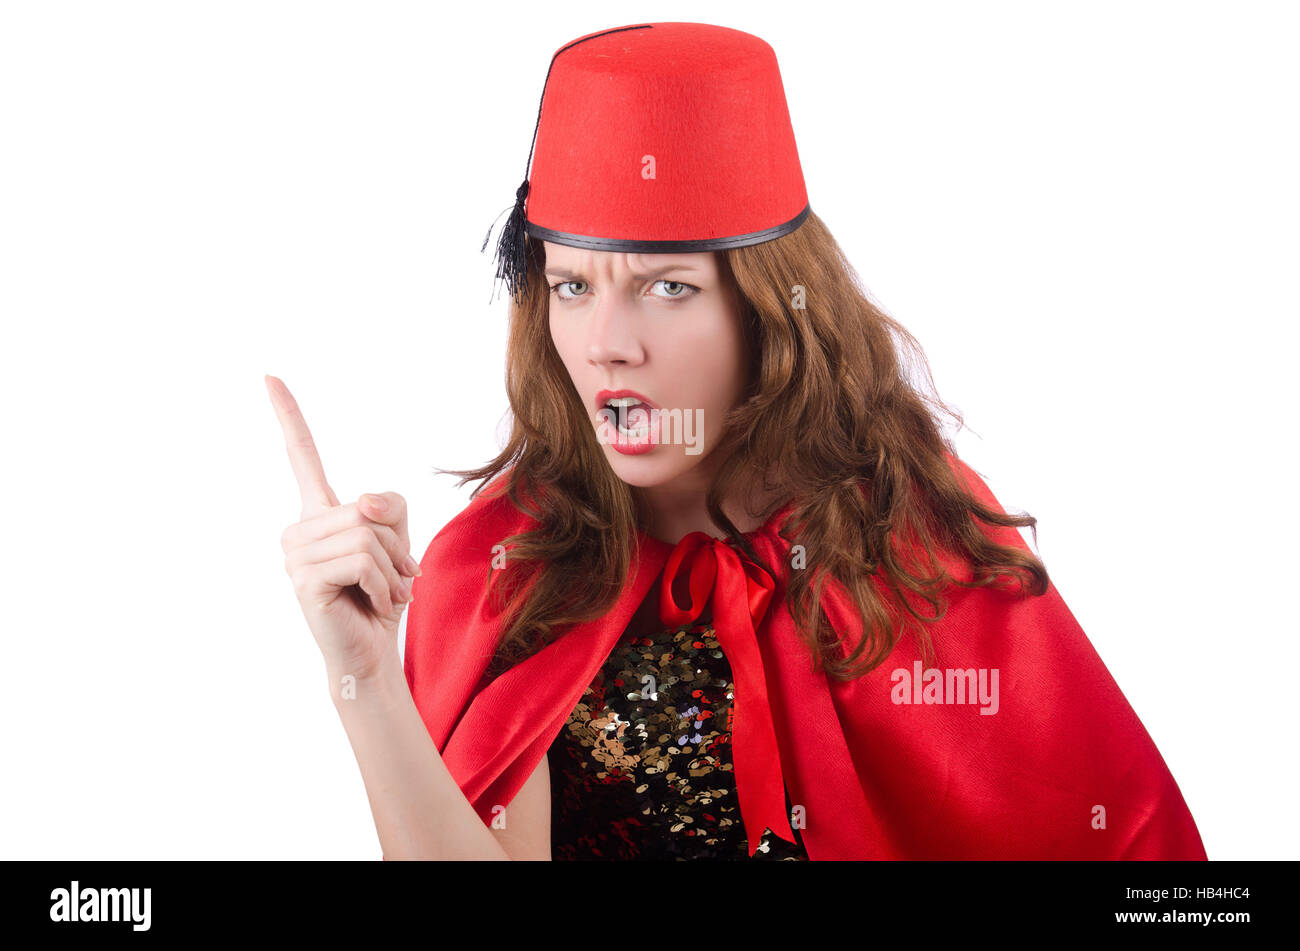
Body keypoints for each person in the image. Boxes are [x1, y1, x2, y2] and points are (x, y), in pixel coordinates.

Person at [268, 21, 1207, 861]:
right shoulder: (507, 564)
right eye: (573, 287)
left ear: (768, 312)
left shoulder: (915, 538)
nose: (608, 345)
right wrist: (365, 679)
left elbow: (1122, 844)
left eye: (667, 286)